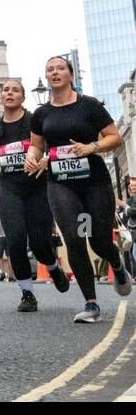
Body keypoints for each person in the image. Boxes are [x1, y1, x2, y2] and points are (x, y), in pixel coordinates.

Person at [24, 56, 132, 323]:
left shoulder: (90, 106)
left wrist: (90, 148)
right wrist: (32, 155)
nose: (55, 72)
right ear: (46, 77)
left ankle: (116, 264)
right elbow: (37, 144)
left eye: (60, 68)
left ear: (70, 74)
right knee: (73, 237)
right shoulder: (41, 114)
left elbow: (114, 136)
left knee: (99, 240)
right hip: (60, 182)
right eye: (50, 69)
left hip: (93, 181)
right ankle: (91, 303)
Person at [0, 79, 68, 312]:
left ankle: (53, 267)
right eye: (6, 90)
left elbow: (53, 148)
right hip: (9, 188)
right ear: (1, 97)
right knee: (14, 240)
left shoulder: (34, 121)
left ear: (22, 97)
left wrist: (45, 160)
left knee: (39, 243)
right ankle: (28, 293)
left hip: (37, 187)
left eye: (15, 90)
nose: (9, 93)